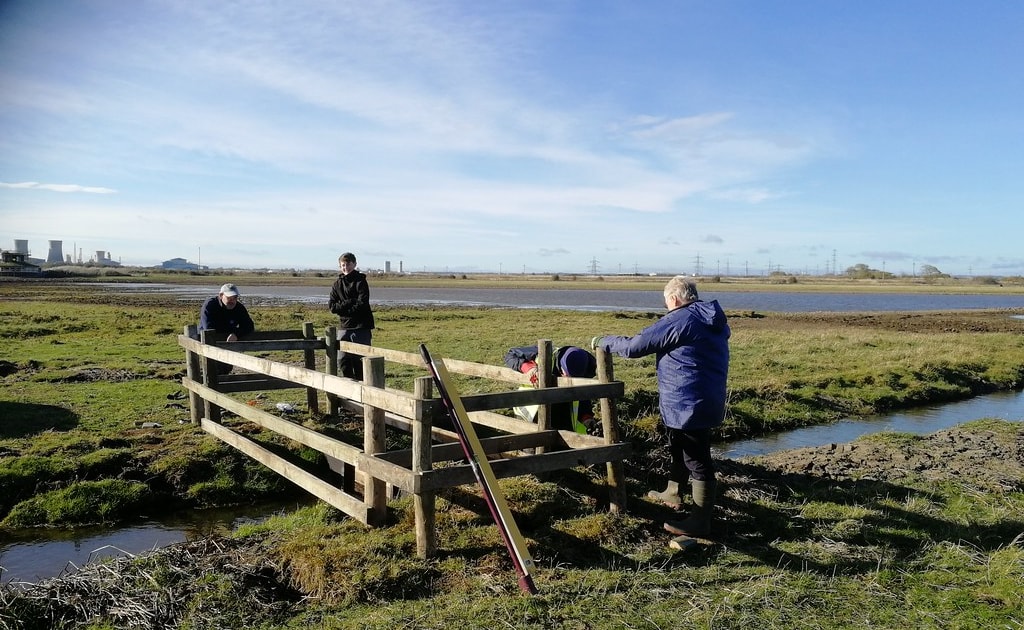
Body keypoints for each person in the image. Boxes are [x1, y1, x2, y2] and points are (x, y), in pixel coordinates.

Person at [592, 276, 730, 539]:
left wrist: (604, 341)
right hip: (705, 396)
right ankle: (673, 492)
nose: (666, 306)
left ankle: (700, 522)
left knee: (697, 457)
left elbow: (635, 346)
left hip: (688, 401)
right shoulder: (710, 318)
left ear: (674, 299)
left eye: (666, 302)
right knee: (679, 446)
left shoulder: (680, 319)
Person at [503, 344, 598, 433]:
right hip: (531, 416)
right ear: (561, 366)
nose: (567, 378)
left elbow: (581, 396)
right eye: (566, 375)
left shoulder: (585, 367)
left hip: (563, 422)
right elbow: (511, 355)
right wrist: (529, 368)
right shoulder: (543, 354)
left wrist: (586, 417)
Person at [328, 252, 375, 380]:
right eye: (343, 265)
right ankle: (350, 387)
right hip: (344, 327)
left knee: (360, 361)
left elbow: (362, 304)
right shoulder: (337, 284)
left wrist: (343, 309)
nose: (346, 267)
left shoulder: (361, 281)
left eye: (348, 264)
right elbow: (332, 307)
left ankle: (363, 389)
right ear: (340, 266)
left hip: (361, 327)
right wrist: (349, 302)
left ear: (354, 264)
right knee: (343, 361)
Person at [198, 283, 255, 375]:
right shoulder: (210, 305)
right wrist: (230, 331)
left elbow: (249, 326)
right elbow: (208, 328)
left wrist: (236, 334)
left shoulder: (239, 308)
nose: (232, 301)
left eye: (235, 298)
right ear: (221, 295)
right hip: (209, 342)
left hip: (229, 344)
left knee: (226, 367)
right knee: (212, 369)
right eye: (229, 298)